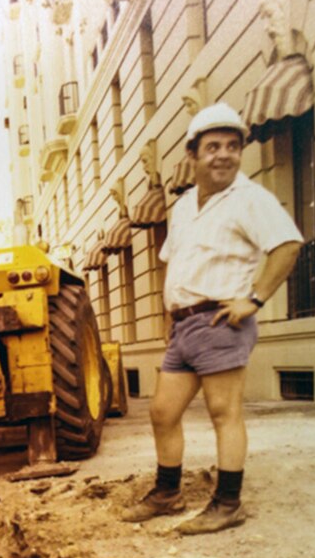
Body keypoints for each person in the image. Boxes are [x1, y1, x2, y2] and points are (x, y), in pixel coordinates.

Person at [123, 102, 302, 534]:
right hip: (184, 327)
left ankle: (228, 503)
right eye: (212, 146)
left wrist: (254, 300)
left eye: (232, 146)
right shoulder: (184, 207)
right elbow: (176, 261)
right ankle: (168, 493)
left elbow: (288, 245)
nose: (223, 154)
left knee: (224, 412)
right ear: (193, 155)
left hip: (222, 319)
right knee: (163, 412)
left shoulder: (251, 198)